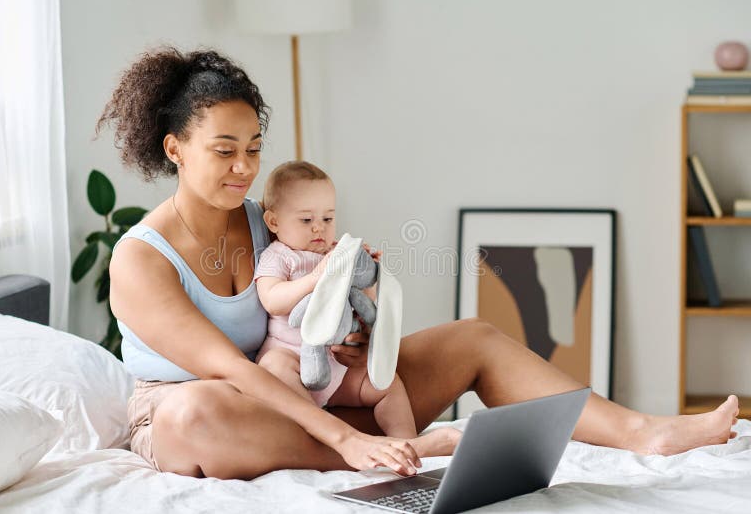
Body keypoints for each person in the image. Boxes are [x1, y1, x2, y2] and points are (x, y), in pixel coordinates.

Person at [103, 46, 739, 481]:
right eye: (224, 151)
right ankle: (399, 449)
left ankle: (640, 432)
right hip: (222, 413)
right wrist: (349, 438)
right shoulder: (139, 259)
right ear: (175, 149)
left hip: (312, 391)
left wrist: (357, 339)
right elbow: (227, 370)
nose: (244, 167)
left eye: (253, 149)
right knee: (195, 414)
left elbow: (333, 301)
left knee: (475, 338)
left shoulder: (269, 219)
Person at [253, 160, 459, 449]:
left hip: (335, 367)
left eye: (327, 219)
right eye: (306, 220)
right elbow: (272, 300)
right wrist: (316, 276)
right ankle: (318, 429)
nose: (319, 229)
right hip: (293, 364)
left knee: (386, 384)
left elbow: (364, 307)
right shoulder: (279, 255)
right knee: (273, 365)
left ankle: (407, 444)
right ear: (274, 222)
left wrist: (366, 275)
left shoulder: (339, 252)